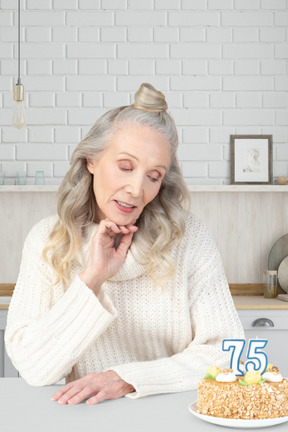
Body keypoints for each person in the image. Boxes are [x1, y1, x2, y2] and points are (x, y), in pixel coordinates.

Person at [5, 83, 244, 405]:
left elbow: (229, 353)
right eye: (126, 167)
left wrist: (126, 379)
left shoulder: (189, 238)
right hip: (86, 417)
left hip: (173, 414)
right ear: (91, 160)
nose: (136, 189)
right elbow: (34, 368)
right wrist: (92, 278)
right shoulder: (49, 240)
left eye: (154, 176)